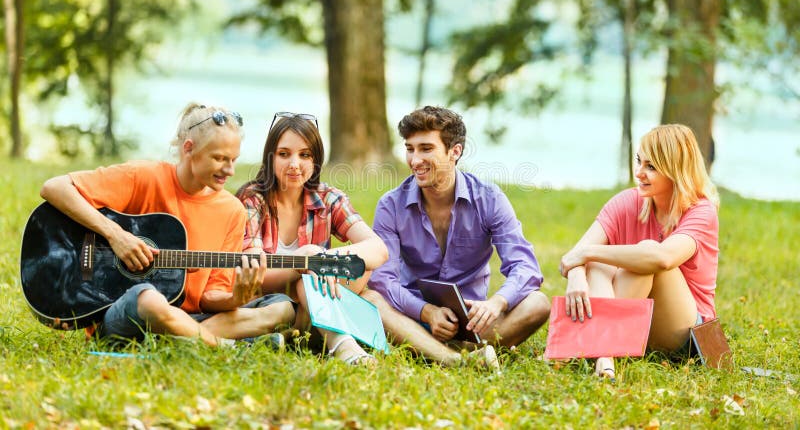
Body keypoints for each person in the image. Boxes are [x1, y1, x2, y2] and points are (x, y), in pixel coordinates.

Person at [39, 103, 295, 346]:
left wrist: (234, 299)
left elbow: (209, 298)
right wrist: (116, 235)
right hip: (127, 310)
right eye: (219, 158)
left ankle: (177, 338)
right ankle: (224, 345)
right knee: (150, 300)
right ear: (188, 148)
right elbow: (54, 188)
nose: (229, 170)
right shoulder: (144, 177)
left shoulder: (232, 211)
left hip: (194, 318)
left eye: (233, 159)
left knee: (280, 309)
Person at [362, 106, 550, 368]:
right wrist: (427, 311)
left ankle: (437, 350)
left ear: (455, 152)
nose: (415, 160)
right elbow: (383, 280)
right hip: (413, 318)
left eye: (426, 149)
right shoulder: (391, 205)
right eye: (410, 148)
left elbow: (525, 267)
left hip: (473, 323)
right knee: (371, 299)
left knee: (537, 303)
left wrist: (496, 303)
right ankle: (454, 359)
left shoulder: (490, 199)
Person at [559, 124, 720, 380]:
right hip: (633, 325)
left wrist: (588, 254)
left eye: (651, 167)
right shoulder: (626, 202)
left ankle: (595, 344)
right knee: (599, 265)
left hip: (683, 331)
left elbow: (663, 258)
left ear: (675, 170)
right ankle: (605, 354)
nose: (639, 173)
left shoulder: (701, 212)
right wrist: (578, 276)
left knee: (646, 254)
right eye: (639, 161)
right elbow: (571, 259)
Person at [236, 111, 389, 365]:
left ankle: (326, 337)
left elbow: (378, 249)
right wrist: (301, 262)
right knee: (305, 277)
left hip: (317, 305)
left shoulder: (328, 198)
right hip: (274, 307)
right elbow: (255, 277)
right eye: (284, 154)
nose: (295, 164)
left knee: (358, 265)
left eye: (305, 154)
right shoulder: (253, 200)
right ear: (271, 157)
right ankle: (342, 344)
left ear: (316, 159)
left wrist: (323, 258)